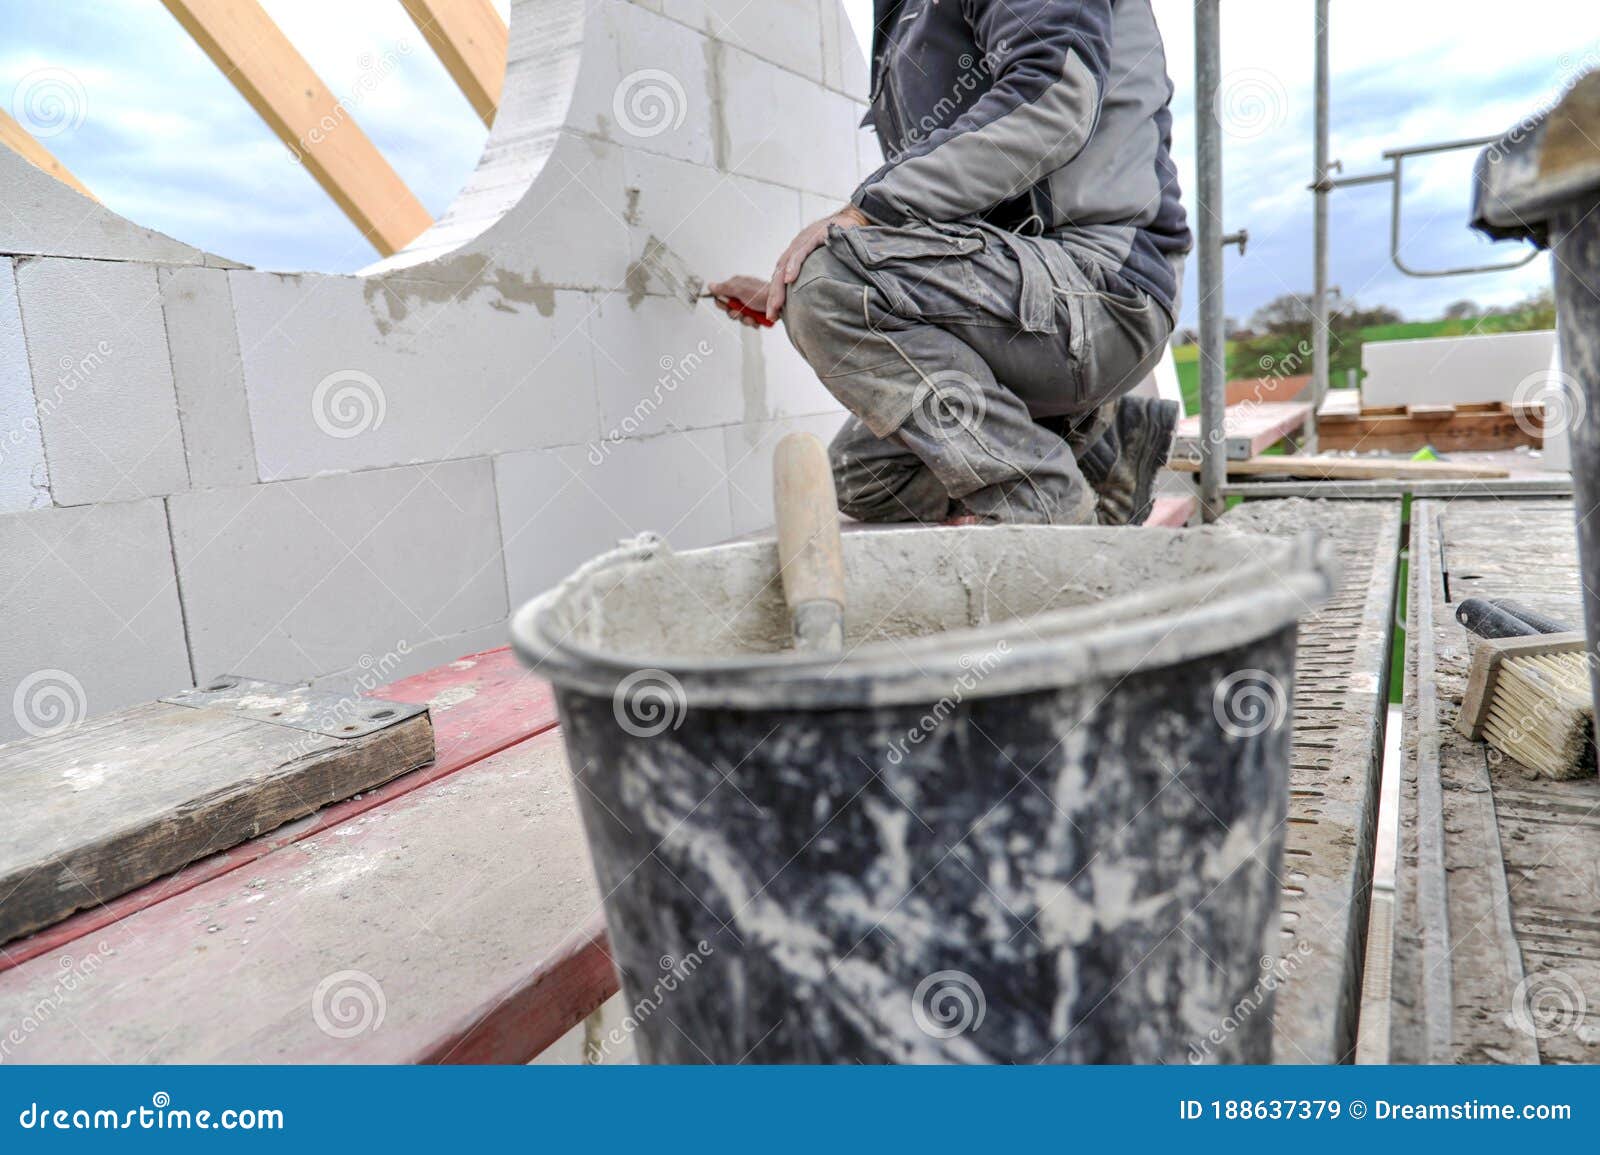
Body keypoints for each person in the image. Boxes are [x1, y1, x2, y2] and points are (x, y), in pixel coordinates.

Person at [710, 0, 1192, 527]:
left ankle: (1037, 498)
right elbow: (948, 206)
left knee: (829, 283)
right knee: (863, 483)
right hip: (1022, 299)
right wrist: (795, 285)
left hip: (1099, 285)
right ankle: (1103, 444)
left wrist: (845, 257)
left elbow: (1054, 97)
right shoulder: (900, 17)